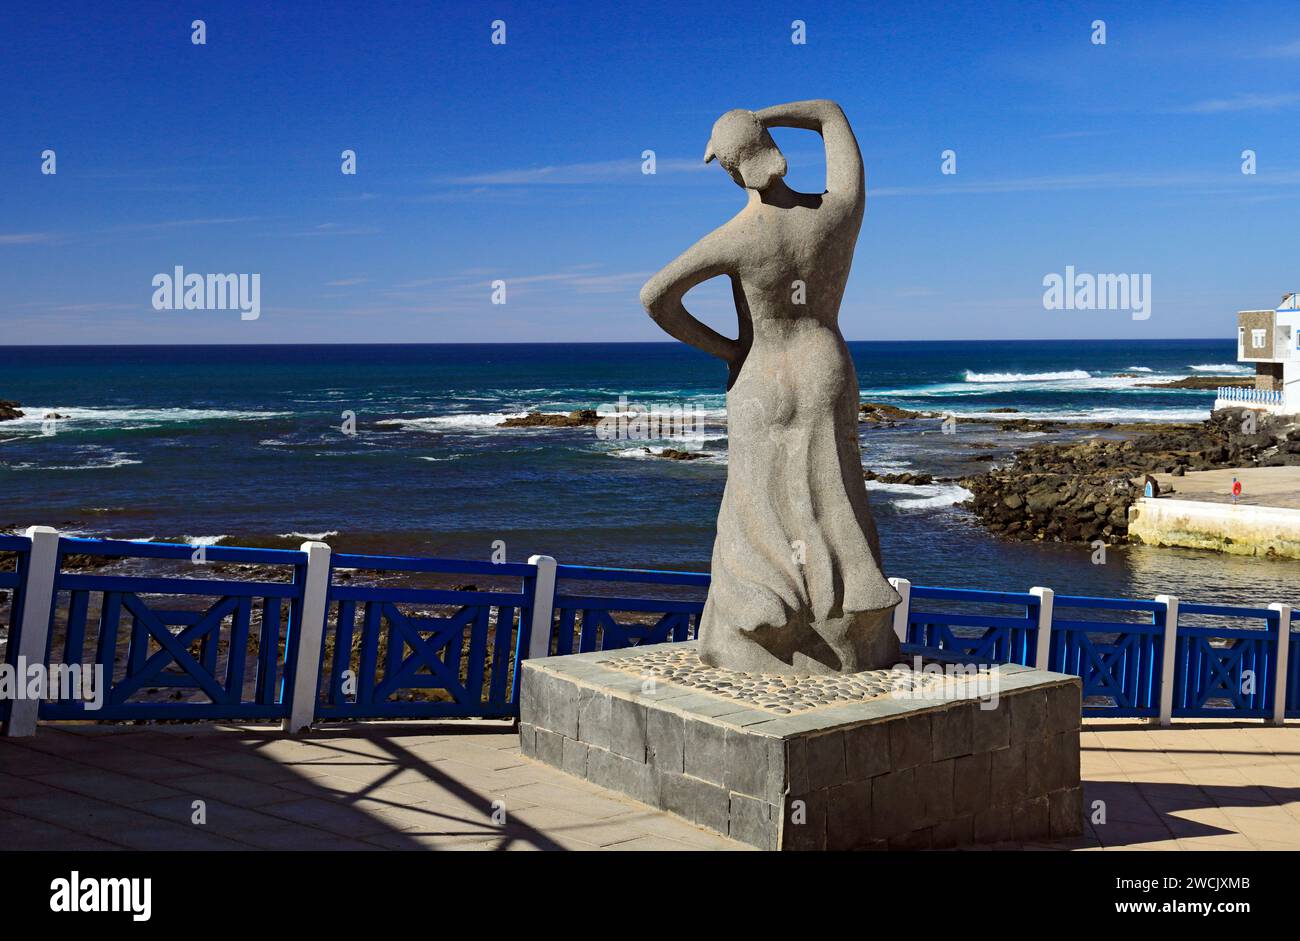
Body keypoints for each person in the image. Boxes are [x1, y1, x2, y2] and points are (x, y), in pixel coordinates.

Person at [640, 101, 899, 675]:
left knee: (756, 499)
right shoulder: (836, 214)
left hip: (762, 372)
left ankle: (761, 615)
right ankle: (854, 610)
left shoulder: (736, 236)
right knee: (833, 492)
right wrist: (767, 115)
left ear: (732, 169)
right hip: (824, 366)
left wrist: (728, 348)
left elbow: (656, 297)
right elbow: (832, 116)